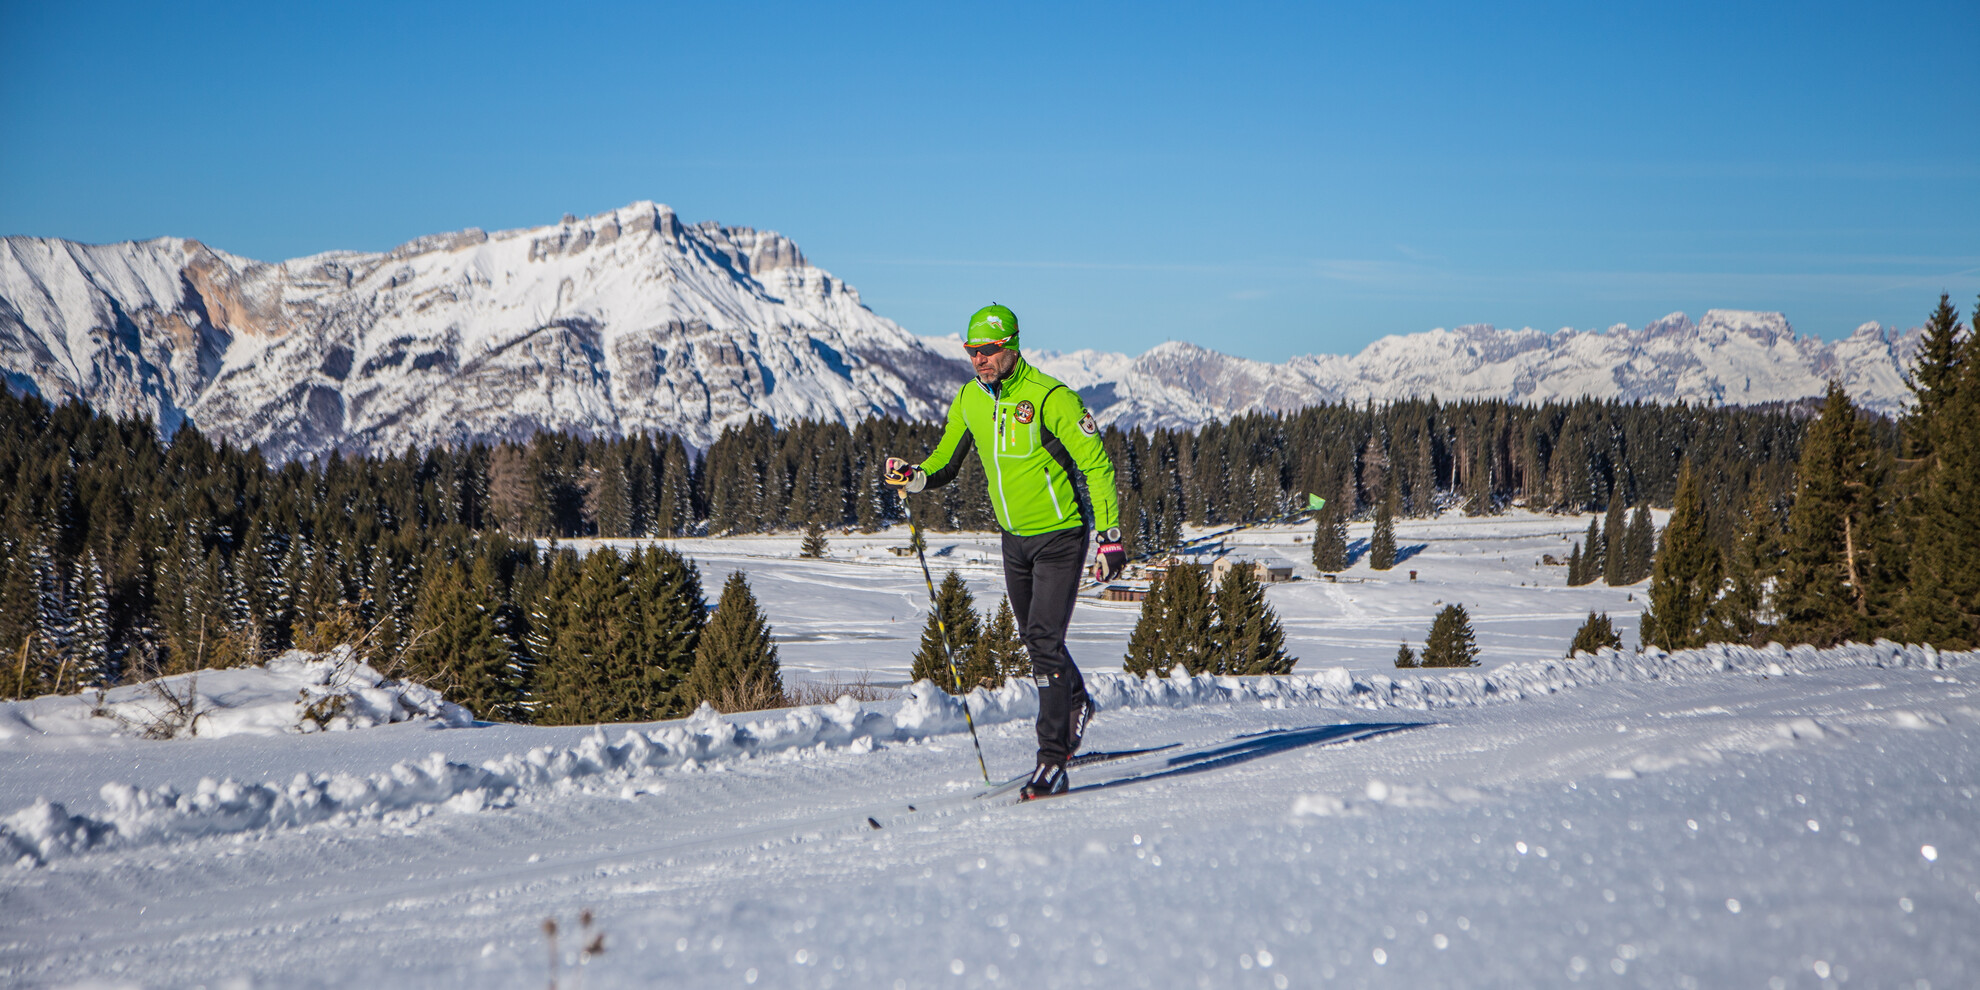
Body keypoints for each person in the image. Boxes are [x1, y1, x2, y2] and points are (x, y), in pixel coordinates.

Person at [885, 303, 1128, 799]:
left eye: (989, 350)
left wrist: (1110, 536)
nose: (980, 359)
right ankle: (1077, 701)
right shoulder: (970, 400)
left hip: (1062, 535)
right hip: (1013, 539)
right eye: (973, 351)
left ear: (1013, 346)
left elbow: (1097, 466)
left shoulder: (1050, 398)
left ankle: (1052, 759)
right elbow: (946, 459)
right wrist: (916, 475)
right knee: (1035, 638)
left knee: (1042, 639)